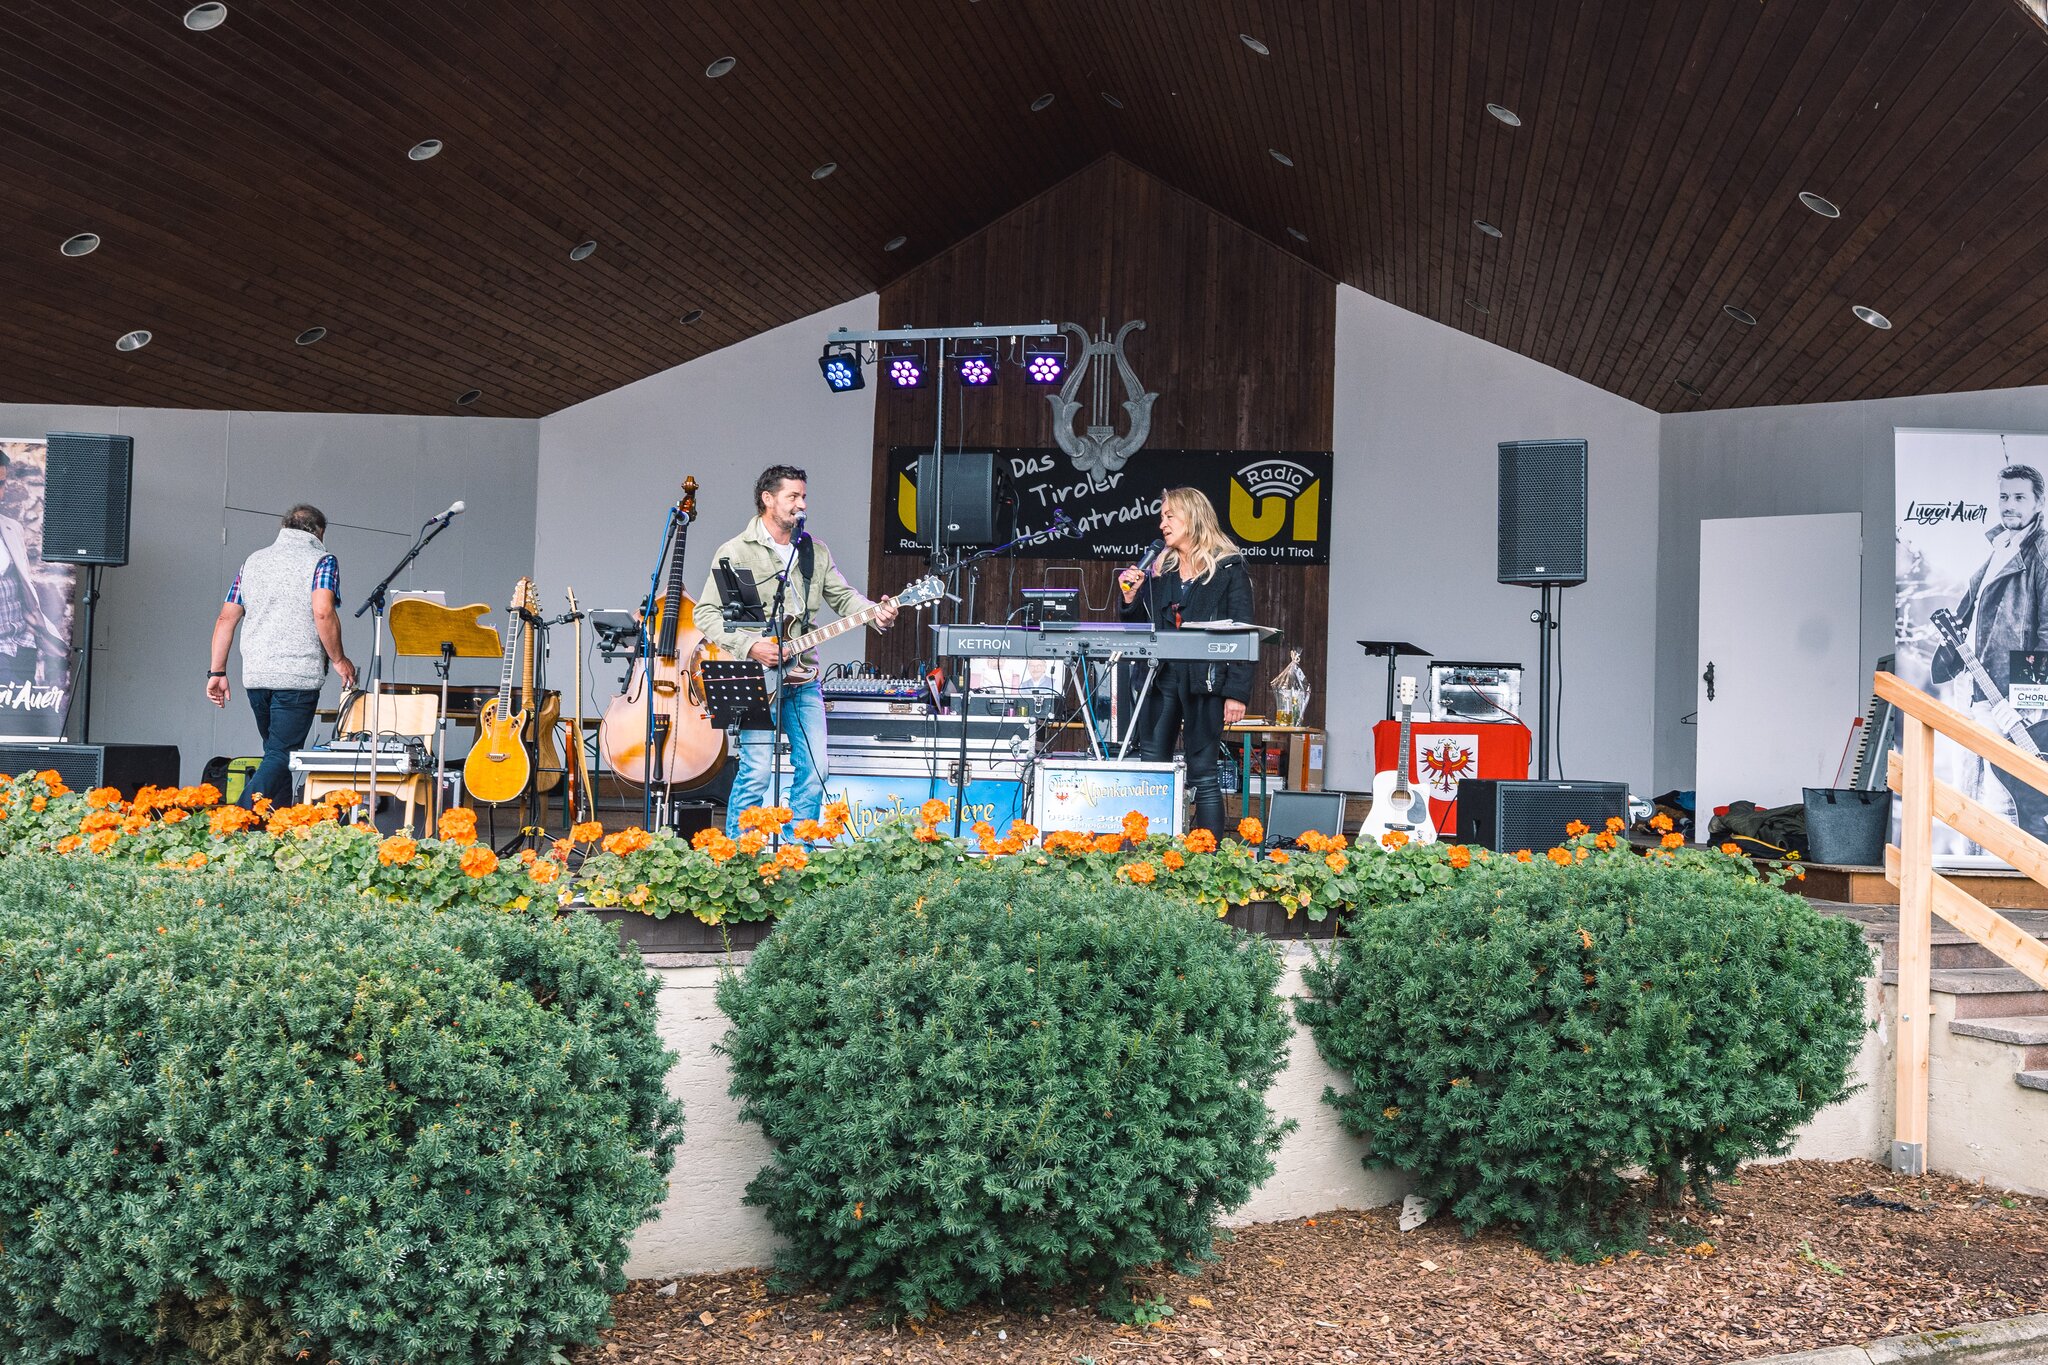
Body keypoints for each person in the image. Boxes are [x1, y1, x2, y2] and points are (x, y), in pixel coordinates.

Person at [696, 465, 896, 836]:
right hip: (755, 677)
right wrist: (751, 645)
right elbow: (705, 613)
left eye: (804, 497)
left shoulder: (814, 551)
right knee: (755, 771)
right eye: (793, 496)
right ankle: (740, 855)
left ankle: (795, 854)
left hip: (803, 678)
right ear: (767, 499)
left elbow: (843, 597)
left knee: (817, 768)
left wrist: (876, 614)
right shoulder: (735, 551)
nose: (801, 504)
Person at [1117, 487, 1255, 838]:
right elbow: (1142, 631)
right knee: (1152, 766)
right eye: (1161, 516)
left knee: (1203, 772)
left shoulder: (1228, 567)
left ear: (1192, 518)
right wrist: (1131, 597)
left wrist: (1236, 693)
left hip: (1205, 681)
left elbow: (1243, 632)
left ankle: (1206, 858)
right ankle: (1149, 850)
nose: (1162, 523)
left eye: (1169, 516)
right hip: (1161, 678)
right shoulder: (1161, 568)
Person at [206, 505, 357, 808]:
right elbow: (323, 611)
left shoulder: (253, 562)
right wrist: (340, 660)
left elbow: (226, 618)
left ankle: (278, 823)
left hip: (257, 677)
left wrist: (217, 673)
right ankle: (236, 819)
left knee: (276, 752)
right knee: (281, 753)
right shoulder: (322, 561)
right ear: (320, 532)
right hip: (296, 676)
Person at [1931, 463, 2048, 837]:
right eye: (2003, 496)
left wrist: (2027, 700)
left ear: (2038, 501)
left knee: (2004, 798)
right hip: (1974, 688)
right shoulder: (1999, 546)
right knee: (1966, 796)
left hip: (2009, 696)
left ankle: (2004, 880)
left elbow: (2046, 631)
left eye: (2019, 497)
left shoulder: (2042, 554)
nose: (2009, 505)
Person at [0, 451, 59, 688]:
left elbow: (25, 586)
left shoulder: (11, 526)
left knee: (21, 722)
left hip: (23, 645)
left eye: (1, 483)